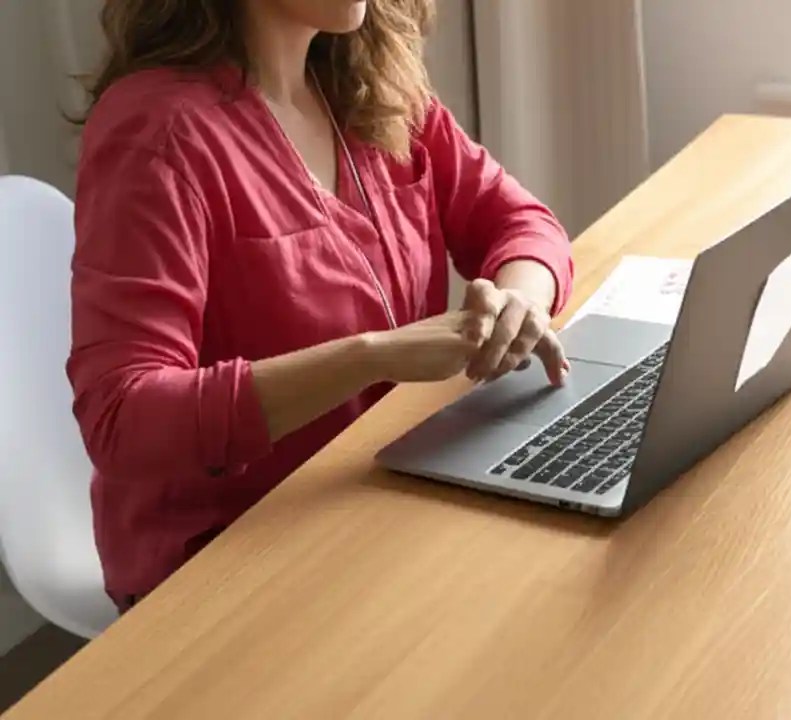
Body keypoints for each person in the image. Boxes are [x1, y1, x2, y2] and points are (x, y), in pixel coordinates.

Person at [67, 0, 574, 611]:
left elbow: (520, 221)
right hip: (228, 568)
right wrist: (372, 356)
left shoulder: (370, 83)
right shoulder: (156, 134)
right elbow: (121, 418)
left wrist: (519, 303)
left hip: (383, 502)